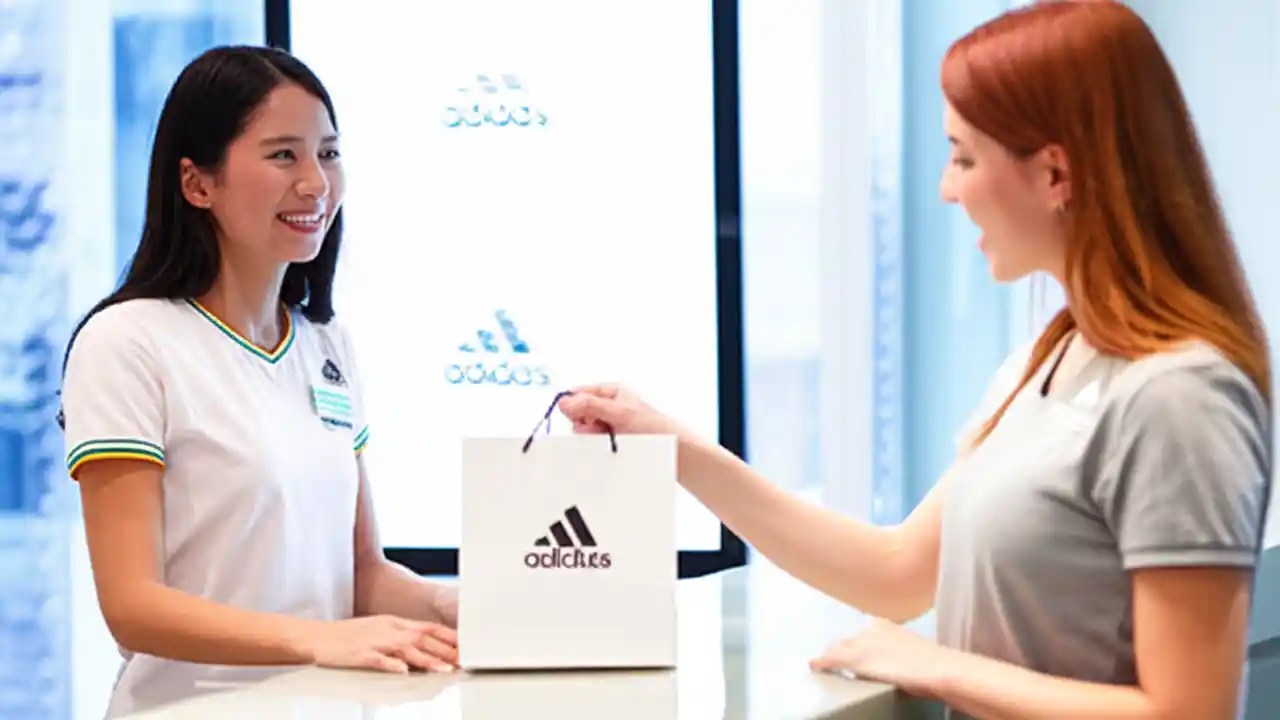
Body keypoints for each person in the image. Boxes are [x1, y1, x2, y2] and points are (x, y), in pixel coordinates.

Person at [560, 2, 1272, 719]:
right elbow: (898, 572)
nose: (946, 187)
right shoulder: (1053, 354)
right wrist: (676, 451)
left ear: (1056, 173)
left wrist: (940, 668)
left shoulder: (1181, 395)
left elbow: (1188, 712)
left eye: (964, 157)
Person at [58, 46, 458, 719]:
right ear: (197, 184)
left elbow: (361, 573)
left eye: (328, 154)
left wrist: (460, 607)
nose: (315, 184)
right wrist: (320, 641)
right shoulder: (127, 342)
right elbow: (132, 606)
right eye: (283, 156)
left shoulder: (326, 345)